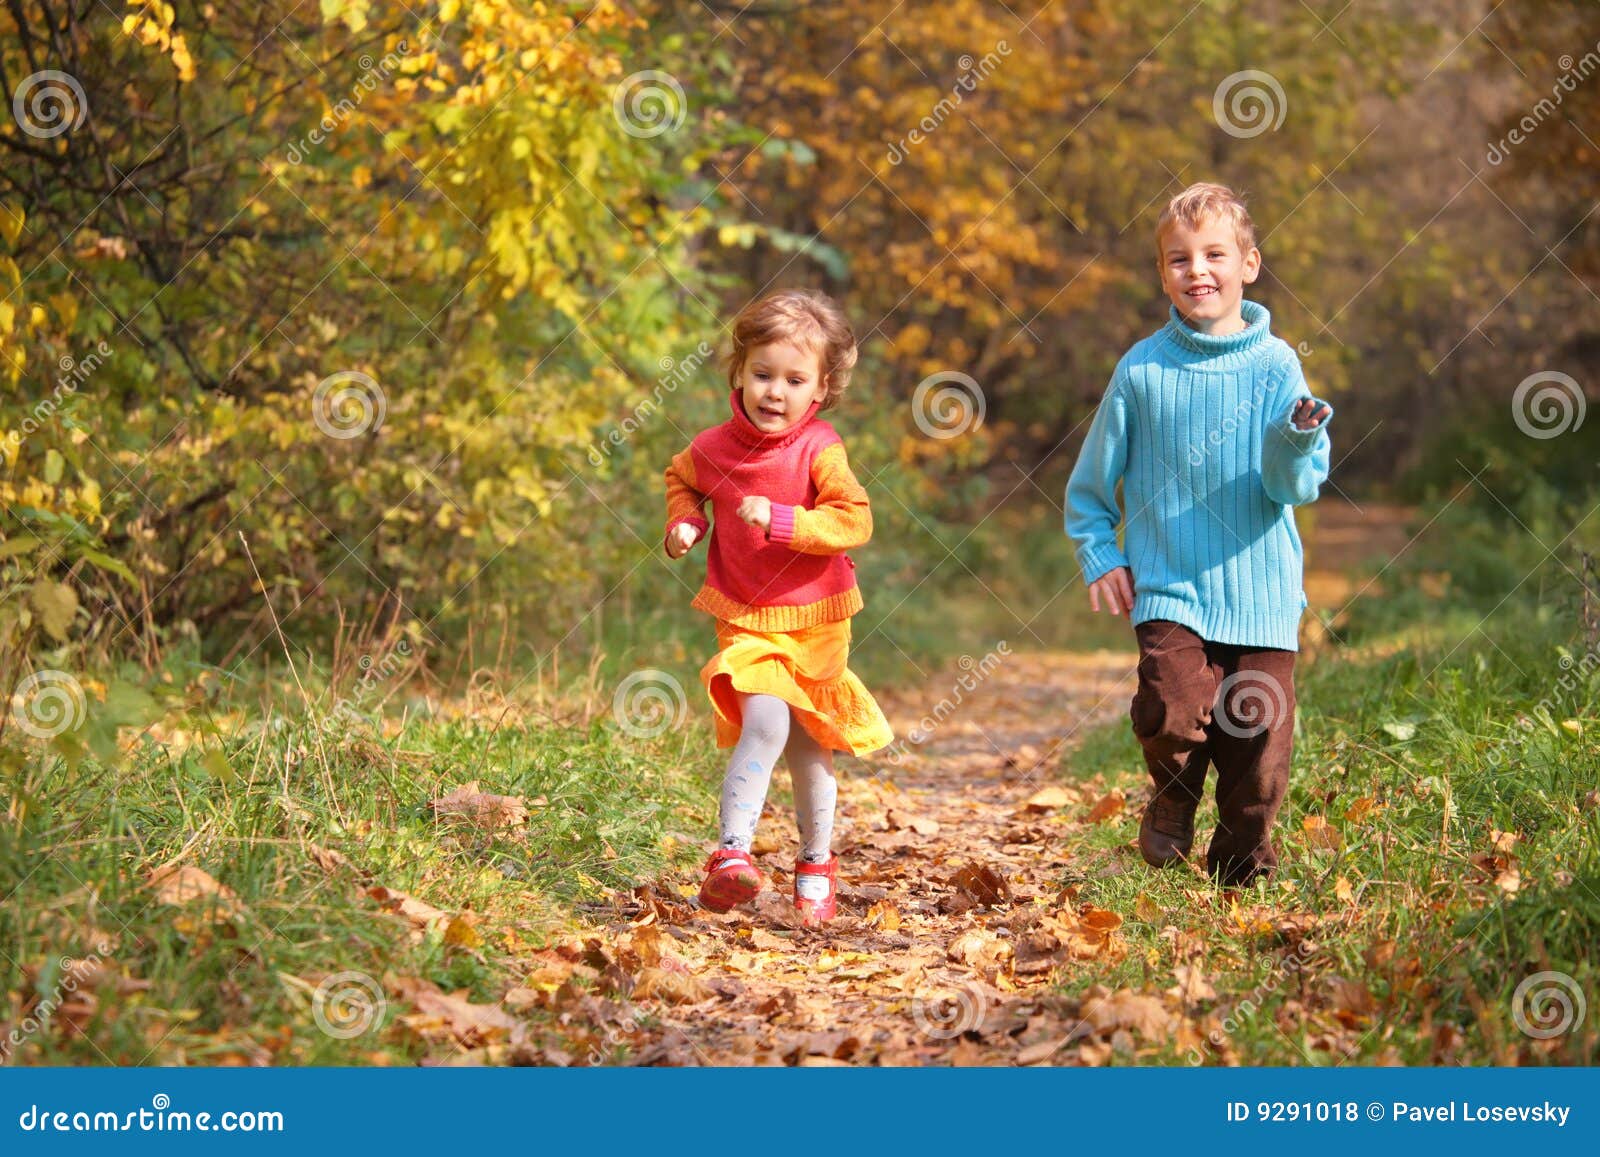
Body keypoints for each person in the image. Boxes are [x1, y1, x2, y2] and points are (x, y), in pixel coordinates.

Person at [1065, 182, 1333, 887]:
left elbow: (1292, 486)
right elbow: (1091, 483)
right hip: (1170, 584)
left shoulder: (1276, 365)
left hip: (1262, 593)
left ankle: (1242, 860)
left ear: (1249, 263)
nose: (1198, 271)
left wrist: (1295, 438)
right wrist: (1100, 550)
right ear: (1163, 275)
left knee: (1260, 744)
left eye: (1214, 253)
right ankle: (1174, 798)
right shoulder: (1142, 370)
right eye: (1179, 259)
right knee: (1170, 706)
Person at [664, 289, 893, 924]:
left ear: (820, 390)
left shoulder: (818, 447)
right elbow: (681, 477)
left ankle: (816, 863)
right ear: (738, 372)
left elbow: (854, 520)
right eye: (763, 374)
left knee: (808, 748)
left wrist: (785, 520)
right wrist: (685, 521)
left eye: (795, 380)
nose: (775, 392)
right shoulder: (712, 448)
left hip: (817, 619)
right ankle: (730, 856)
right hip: (743, 615)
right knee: (764, 721)